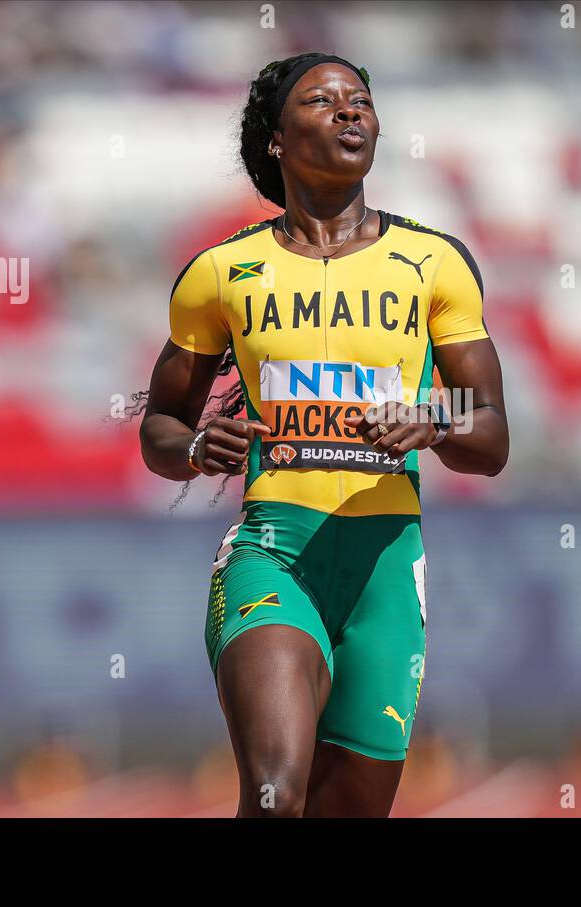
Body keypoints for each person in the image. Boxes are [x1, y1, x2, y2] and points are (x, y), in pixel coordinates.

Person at [139, 52, 509, 817]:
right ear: (277, 139)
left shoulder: (435, 264)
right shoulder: (223, 272)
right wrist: (193, 448)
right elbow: (158, 428)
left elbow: (494, 437)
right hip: (275, 552)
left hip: (386, 567)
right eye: (323, 101)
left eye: (361, 101)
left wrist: (434, 421)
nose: (350, 112)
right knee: (275, 794)